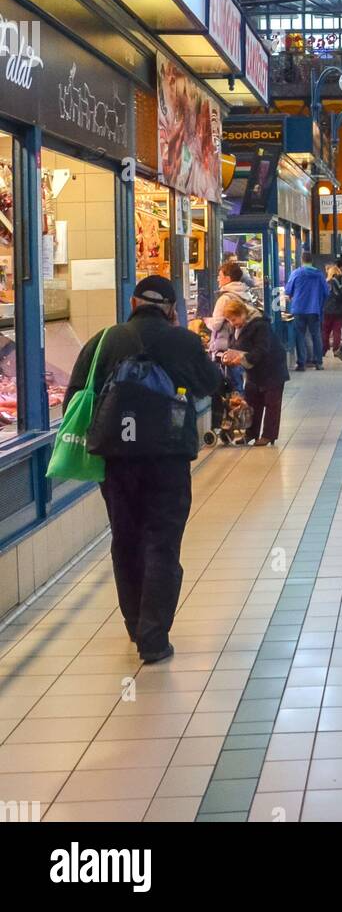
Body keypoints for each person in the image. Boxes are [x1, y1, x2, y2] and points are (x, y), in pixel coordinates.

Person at [63, 276, 222, 665]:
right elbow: (210, 385)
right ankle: (154, 636)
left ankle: (135, 624)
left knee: (126, 539)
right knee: (162, 540)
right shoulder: (183, 341)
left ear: (134, 302)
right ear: (170, 308)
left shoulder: (105, 340)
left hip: (117, 460)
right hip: (168, 458)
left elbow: (74, 398)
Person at [220, 296, 289, 446]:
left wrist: (243, 359)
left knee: (272, 404)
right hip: (254, 371)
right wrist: (229, 356)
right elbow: (235, 345)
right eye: (230, 320)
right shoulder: (238, 327)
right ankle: (251, 433)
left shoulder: (259, 325)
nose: (233, 323)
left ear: (243, 313)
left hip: (272, 368)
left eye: (234, 319)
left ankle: (269, 435)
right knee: (252, 402)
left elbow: (261, 349)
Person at [285, 250, 328, 371]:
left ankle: (301, 363)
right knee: (316, 335)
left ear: (301, 260)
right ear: (311, 260)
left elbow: (288, 291)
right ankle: (318, 363)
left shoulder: (296, 273)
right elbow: (326, 292)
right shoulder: (319, 275)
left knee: (300, 335)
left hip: (298, 309)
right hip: (314, 309)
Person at [322, 263, 342, 355]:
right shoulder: (341, 283)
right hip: (340, 311)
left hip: (327, 311)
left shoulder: (326, 283)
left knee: (325, 331)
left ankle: (324, 349)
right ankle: (336, 350)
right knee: (337, 331)